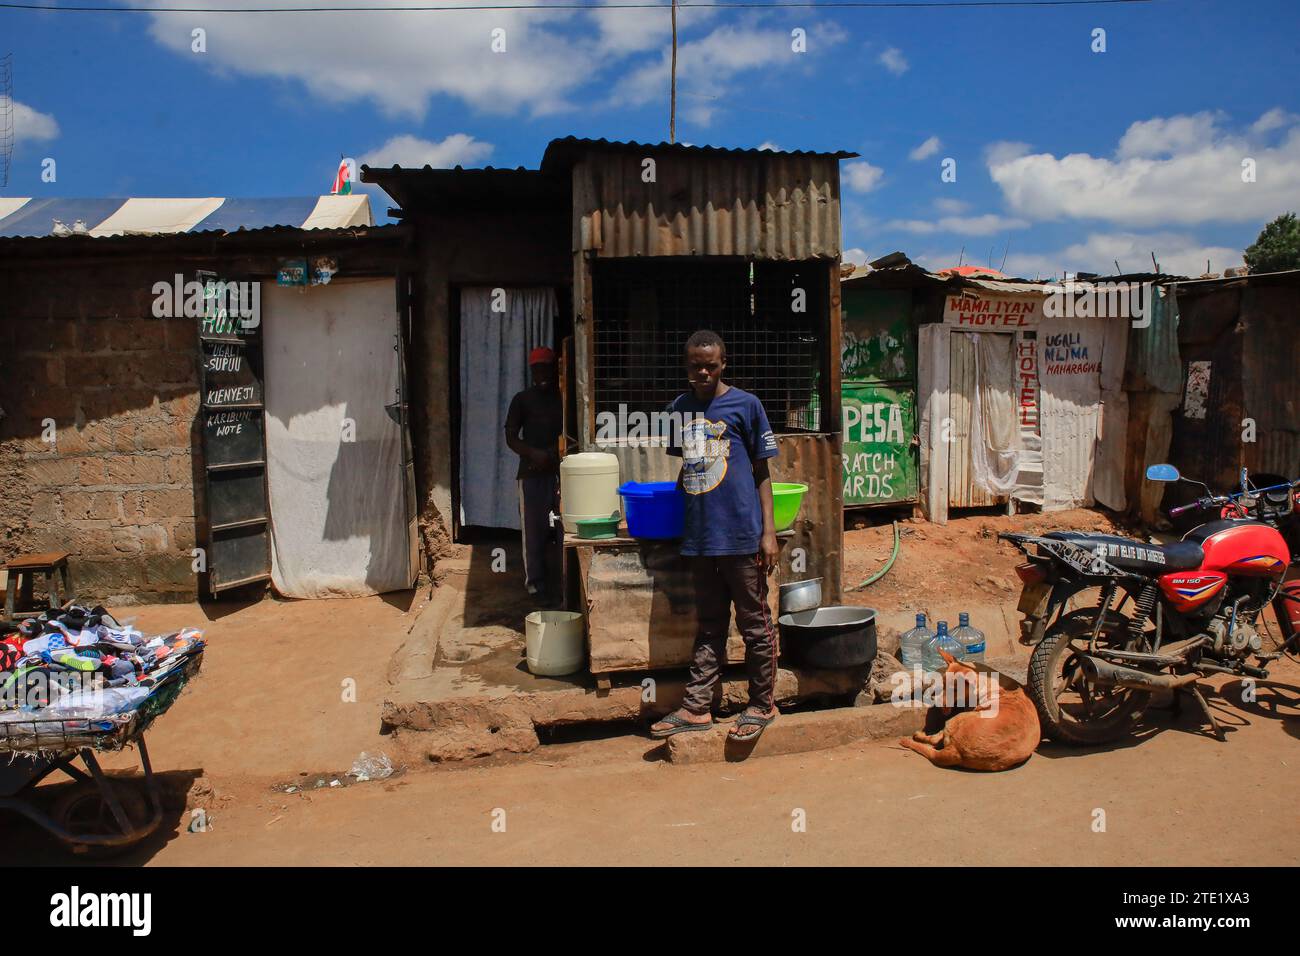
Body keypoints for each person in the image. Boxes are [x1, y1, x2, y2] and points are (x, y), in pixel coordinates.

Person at [650, 330, 781, 743]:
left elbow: (762, 473)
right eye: (695, 366)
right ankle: (697, 707)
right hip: (701, 539)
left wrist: (769, 533)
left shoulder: (747, 405)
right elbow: (687, 472)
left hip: (742, 535)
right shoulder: (680, 409)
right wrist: (675, 521)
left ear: (724, 364)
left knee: (755, 624)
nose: (703, 372)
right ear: (686, 366)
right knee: (708, 625)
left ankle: (763, 704)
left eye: (711, 365)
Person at [504, 346, 563, 604]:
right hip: (530, 474)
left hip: (560, 472)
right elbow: (510, 436)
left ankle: (564, 581)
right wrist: (532, 454)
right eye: (536, 369)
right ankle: (535, 586)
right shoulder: (522, 399)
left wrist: (551, 453)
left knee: (564, 530)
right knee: (533, 531)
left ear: (554, 368)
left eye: (546, 367)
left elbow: (570, 431)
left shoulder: (562, 397)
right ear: (531, 371)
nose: (542, 373)